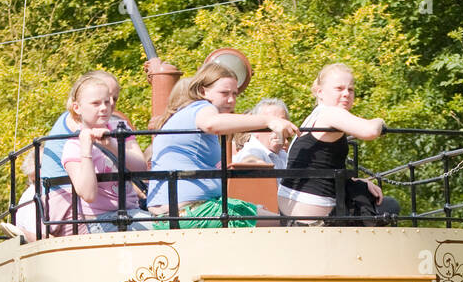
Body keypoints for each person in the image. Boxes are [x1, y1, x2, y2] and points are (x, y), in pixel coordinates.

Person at [146, 63, 297, 227]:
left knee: (265, 215)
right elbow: (211, 123)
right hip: (188, 213)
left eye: (235, 94)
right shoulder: (201, 107)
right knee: (279, 226)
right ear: (204, 91)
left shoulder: (189, 112)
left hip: (191, 210)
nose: (231, 100)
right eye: (224, 93)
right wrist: (268, 120)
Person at [278, 62, 400, 223]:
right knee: (390, 207)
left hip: (290, 212)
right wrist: (380, 121)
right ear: (320, 92)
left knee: (368, 196)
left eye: (351, 89)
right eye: (339, 88)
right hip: (310, 219)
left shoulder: (313, 117)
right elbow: (370, 131)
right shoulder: (331, 113)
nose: (346, 94)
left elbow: (320, 165)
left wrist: (355, 181)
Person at [53, 76, 150, 234]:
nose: (104, 108)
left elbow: (141, 168)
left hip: (132, 211)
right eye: (96, 103)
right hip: (100, 220)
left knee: (173, 225)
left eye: (107, 101)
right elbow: (89, 195)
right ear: (77, 107)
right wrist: (86, 150)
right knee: (163, 228)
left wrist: (112, 145)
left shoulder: (121, 128)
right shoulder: (73, 146)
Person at [232, 98, 291, 170]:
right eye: (271, 123)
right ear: (254, 128)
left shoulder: (283, 155)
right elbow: (249, 160)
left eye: (281, 122)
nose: (278, 129)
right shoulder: (252, 152)